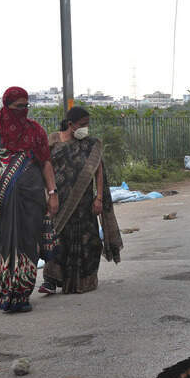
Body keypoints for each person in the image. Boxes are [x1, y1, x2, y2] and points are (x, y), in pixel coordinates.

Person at [0, 87, 58, 313]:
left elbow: (46, 163)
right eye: (18, 107)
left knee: (28, 244)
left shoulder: (35, 131)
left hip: (32, 198)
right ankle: (7, 294)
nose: (23, 111)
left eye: (26, 106)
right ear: (6, 106)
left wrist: (52, 193)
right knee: (6, 245)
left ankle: (23, 295)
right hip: (0, 201)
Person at [38, 107, 123, 295]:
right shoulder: (53, 140)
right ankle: (51, 281)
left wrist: (99, 197)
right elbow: (45, 166)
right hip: (58, 202)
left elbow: (99, 171)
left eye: (87, 125)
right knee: (57, 239)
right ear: (71, 124)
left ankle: (85, 280)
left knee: (88, 242)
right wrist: (48, 194)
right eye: (83, 125)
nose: (86, 129)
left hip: (84, 204)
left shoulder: (91, 145)